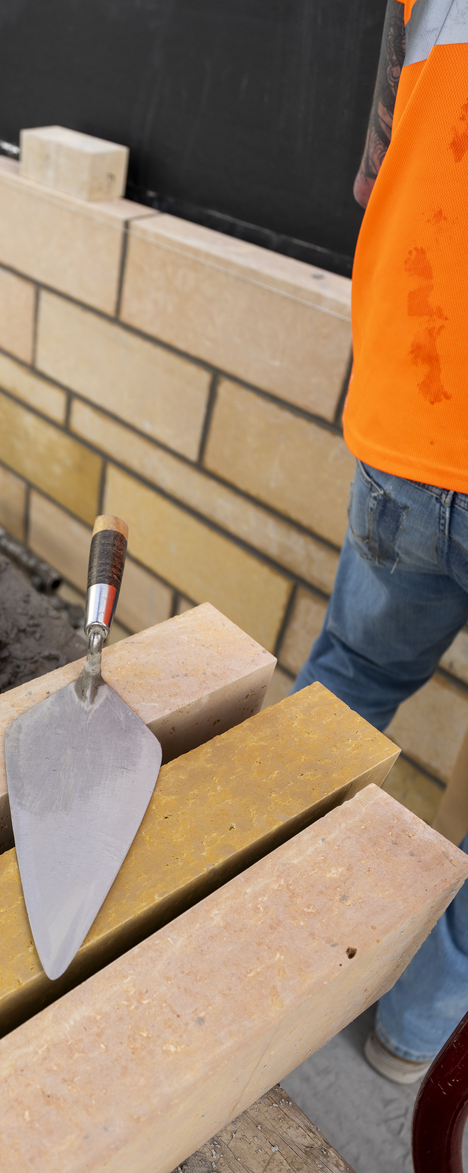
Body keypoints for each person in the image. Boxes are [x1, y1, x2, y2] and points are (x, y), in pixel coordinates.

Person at [293, 0, 468, 1083]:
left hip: (413, 419)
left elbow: (377, 173)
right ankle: (416, 1030)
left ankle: (251, 942)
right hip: (411, 423)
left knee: (350, 681)